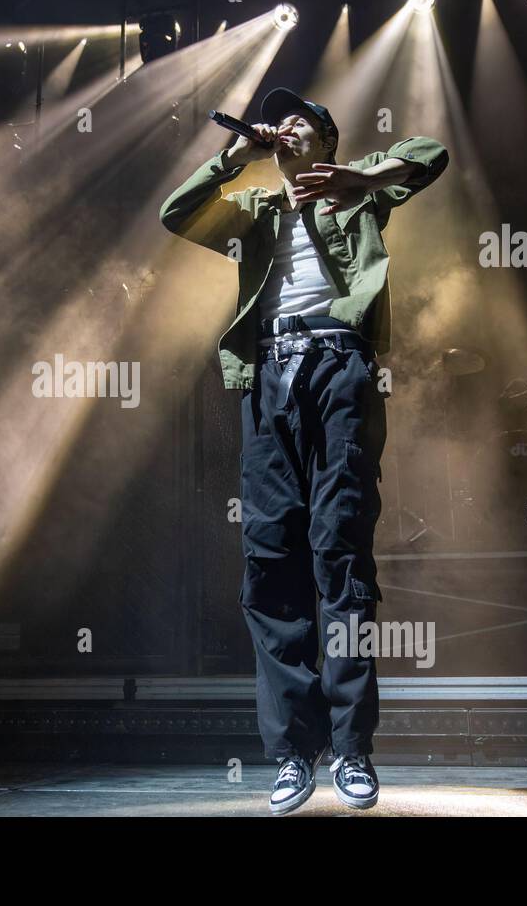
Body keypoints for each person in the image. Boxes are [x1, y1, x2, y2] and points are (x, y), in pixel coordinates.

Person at [159, 88, 448, 813]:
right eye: (278, 122)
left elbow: (431, 154)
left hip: (339, 367)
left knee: (340, 552)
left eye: (301, 121)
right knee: (268, 560)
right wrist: (235, 157)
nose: (285, 128)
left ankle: (352, 750)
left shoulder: (358, 194)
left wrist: (363, 179)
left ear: (324, 137)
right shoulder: (257, 209)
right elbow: (178, 214)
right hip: (268, 377)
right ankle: (293, 754)